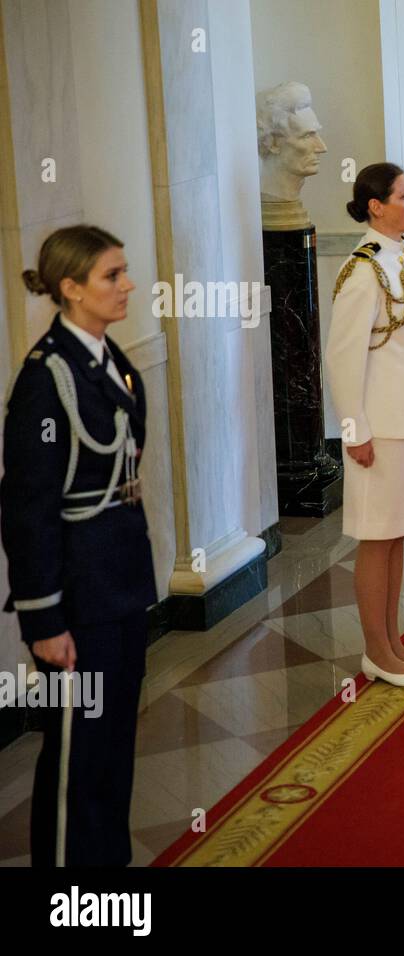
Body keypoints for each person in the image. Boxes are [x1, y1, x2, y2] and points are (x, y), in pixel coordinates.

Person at [2, 225, 154, 866]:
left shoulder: (106, 359)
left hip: (119, 583)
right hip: (76, 598)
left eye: (123, 272)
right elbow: (28, 509)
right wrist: (45, 619)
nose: (127, 285)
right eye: (111, 276)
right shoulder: (46, 379)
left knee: (114, 747)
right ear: (70, 288)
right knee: (75, 756)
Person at [325, 163, 404, 687]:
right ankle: (376, 651)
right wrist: (355, 431)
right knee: (376, 538)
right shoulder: (364, 268)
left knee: (396, 535)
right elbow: (342, 356)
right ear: (377, 206)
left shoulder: (397, 256)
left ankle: (393, 644)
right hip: (378, 426)